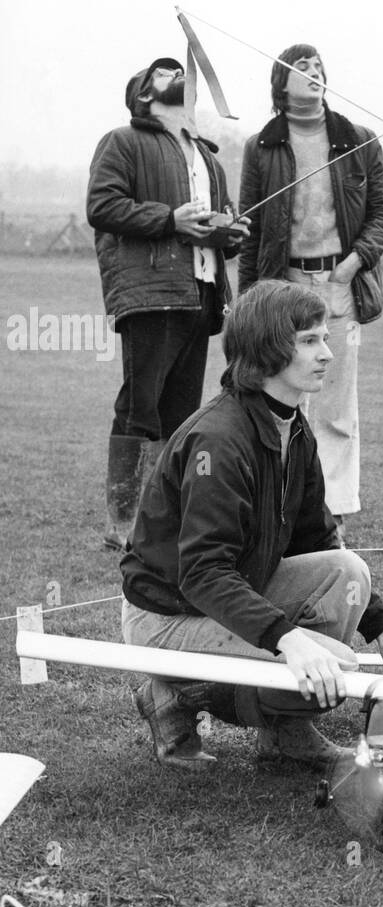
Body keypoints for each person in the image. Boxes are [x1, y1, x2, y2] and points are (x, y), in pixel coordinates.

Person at [121, 280, 383, 770]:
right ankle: (172, 695)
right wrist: (289, 639)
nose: (327, 353)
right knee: (338, 670)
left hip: (234, 588)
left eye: (325, 338)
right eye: (309, 341)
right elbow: (201, 573)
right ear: (267, 352)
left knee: (347, 571)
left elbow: (317, 538)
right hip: (168, 615)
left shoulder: (293, 427)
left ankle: (283, 735)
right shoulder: (219, 441)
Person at [87, 58, 247, 550]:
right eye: (162, 72)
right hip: (150, 293)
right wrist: (170, 220)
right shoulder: (123, 141)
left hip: (200, 294)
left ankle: (159, 522)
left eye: (180, 70)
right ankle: (123, 526)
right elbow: (102, 206)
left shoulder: (209, 159)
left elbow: (215, 234)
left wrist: (232, 233)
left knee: (181, 415)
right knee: (141, 409)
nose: (176, 73)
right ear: (142, 97)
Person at [238, 44, 383, 533]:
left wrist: (351, 265)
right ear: (279, 84)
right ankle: (281, 511)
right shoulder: (261, 146)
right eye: (300, 67)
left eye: (318, 66)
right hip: (283, 286)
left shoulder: (359, 140)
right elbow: (252, 229)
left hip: (339, 287)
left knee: (335, 406)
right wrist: (245, 305)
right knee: (283, 399)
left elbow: (382, 212)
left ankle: (334, 517)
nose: (313, 72)